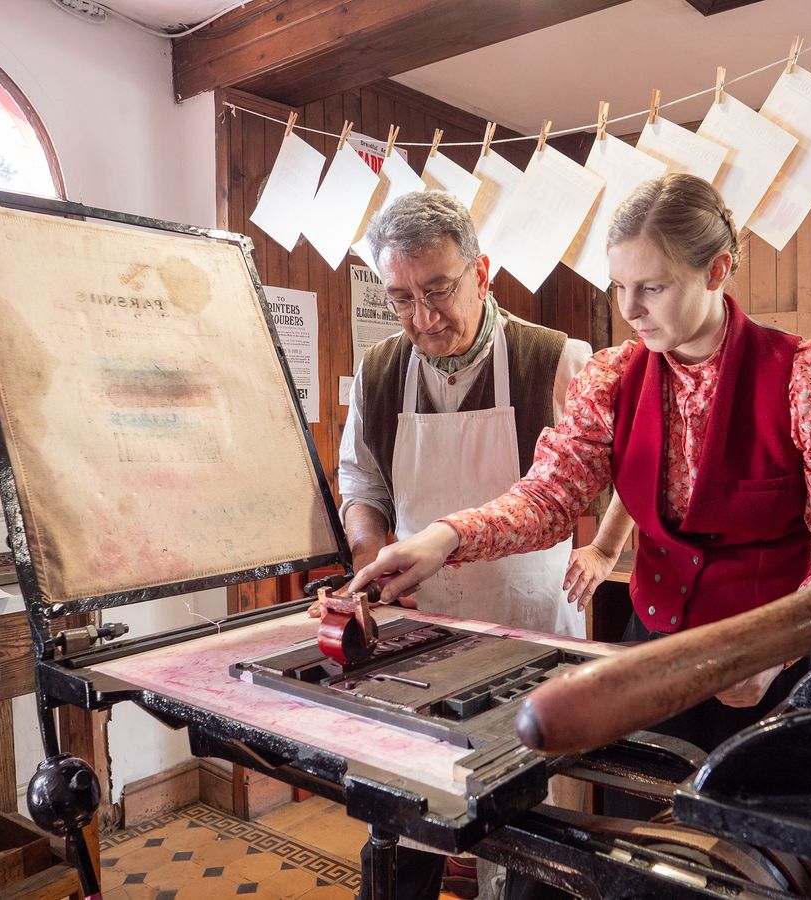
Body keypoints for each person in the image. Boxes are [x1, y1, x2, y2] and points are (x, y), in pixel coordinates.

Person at [348, 173, 811, 753]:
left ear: (716, 270)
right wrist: (445, 537)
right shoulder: (612, 378)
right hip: (649, 655)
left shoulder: (810, 378)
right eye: (618, 286)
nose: (630, 309)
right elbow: (550, 497)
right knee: (635, 822)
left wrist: (773, 644)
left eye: (652, 287)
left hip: (775, 668)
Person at [331, 190, 592, 900]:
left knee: (529, 844)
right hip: (424, 637)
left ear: (483, 272)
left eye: (439, 290)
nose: (422, 318)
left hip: (532, 629)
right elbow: (362, 479)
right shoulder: (382, 371)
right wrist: (367, 557)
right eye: (401, 299)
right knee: (412, 817)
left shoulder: (557, 360)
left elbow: (599, 482)